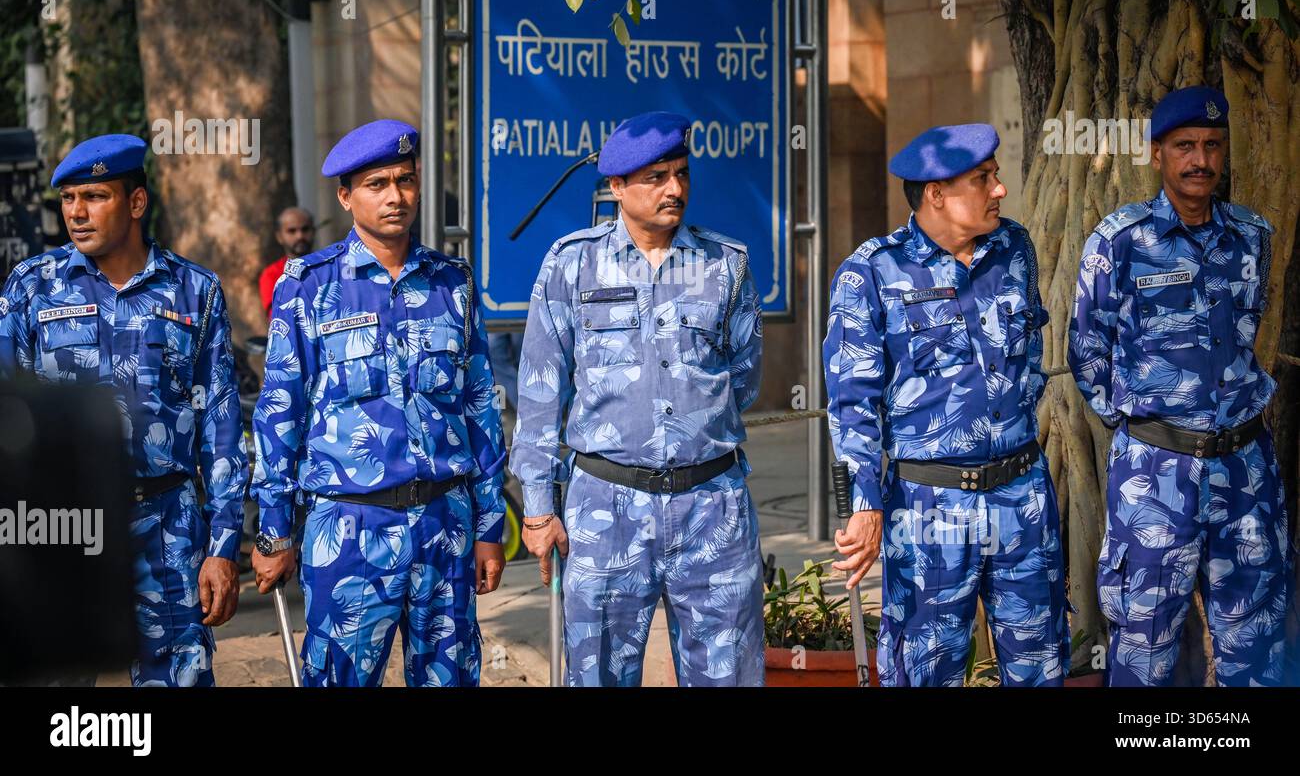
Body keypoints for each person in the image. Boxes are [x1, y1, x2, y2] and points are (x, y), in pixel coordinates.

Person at [509, 110, 765, 686]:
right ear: (616, 186)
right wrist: (539, 506)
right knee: (597, 672)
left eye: (680, 173)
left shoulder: (725, 265)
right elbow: (541, 391)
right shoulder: (571, 264)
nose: (674, 188)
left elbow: (745, 380)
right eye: (655, 177)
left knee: (728, 674)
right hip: (606, 507)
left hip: (711, 508)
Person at [250, 119, 506, 687]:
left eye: (406, 180)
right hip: (349, 527)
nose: (396, 196)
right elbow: (279, 412)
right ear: (346, 197)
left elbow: (481, 407)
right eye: (377, 184)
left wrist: (491, 525)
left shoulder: (451, 282)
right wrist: (274, 532)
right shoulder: (309, 286)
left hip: (445, 525)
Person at [824, 123, 1070, 687]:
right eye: (983, 179)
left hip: (1020, 498)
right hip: (928, 506)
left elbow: (1030, 357)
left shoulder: (1015, 249)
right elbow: (852, 402)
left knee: (1041, 668)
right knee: (924, 673)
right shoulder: (870, 272)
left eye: (996, 176)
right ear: (936, 193)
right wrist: (864, 503)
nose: (999, 190)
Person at [0, 133, 247, 686]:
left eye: (94, 197)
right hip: (63, 525)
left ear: (136, 203)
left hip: (167, 523)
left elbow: (222, 424)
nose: (77, 214)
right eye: (68, 200)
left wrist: (224, 545)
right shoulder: (33, 288)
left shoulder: (194, 290)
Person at [1069, 85, 1292, 686]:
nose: (1201, 160)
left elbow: (1246, 335)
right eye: (1186, 146)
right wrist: (1147, 430)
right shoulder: (1119, 241)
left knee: (1259, 643)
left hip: (1245, 471)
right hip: (1155, 474)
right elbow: (1088, 353)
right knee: (1146, 647)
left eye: (1213, 146)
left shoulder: (1253, 236)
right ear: (1158, 153)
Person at [258, 207, 315, 319]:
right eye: (291, 231)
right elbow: (277, 317)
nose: (300, 236)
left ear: (313, 231)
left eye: (305, 229)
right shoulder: (271, 274)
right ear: (279, 237)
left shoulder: (331, 266)